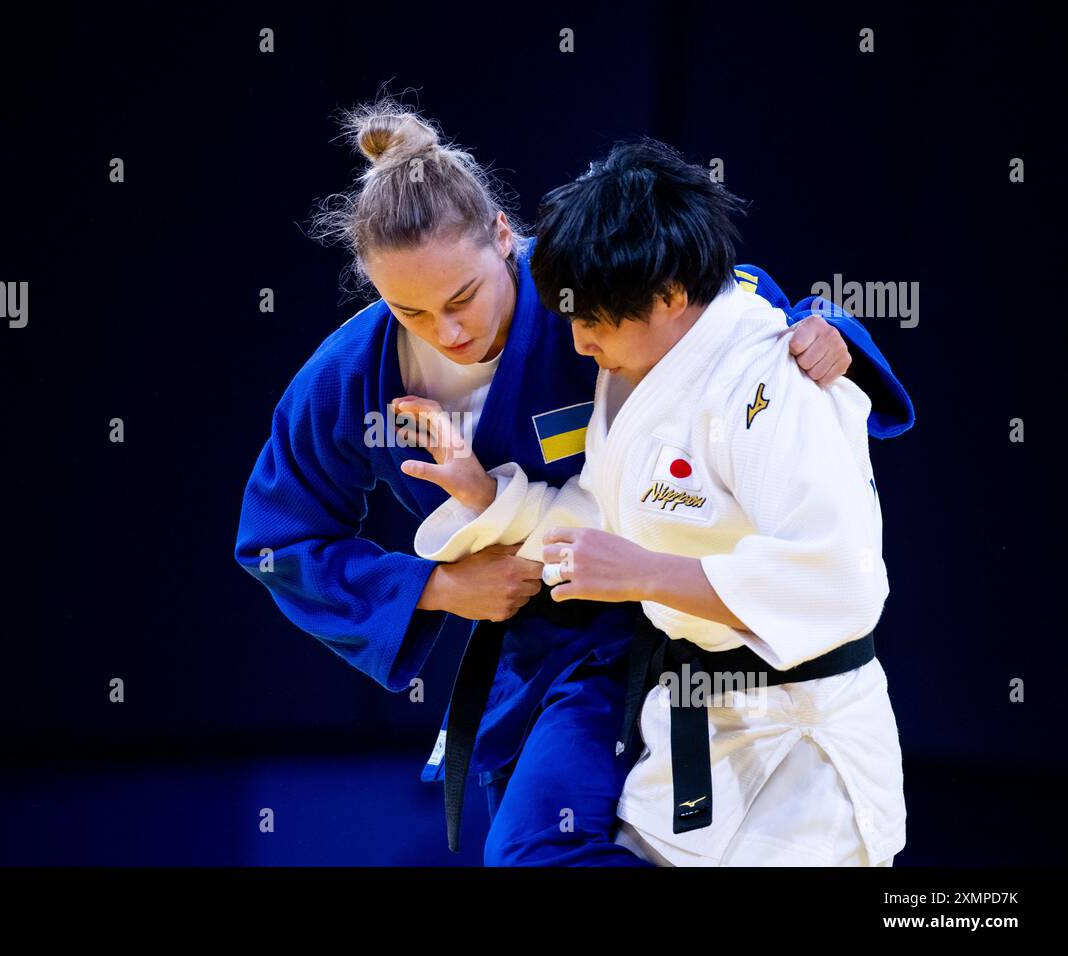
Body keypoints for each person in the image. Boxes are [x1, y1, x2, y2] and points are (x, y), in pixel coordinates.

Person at [233, 98, 913, 865]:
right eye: (410, 311)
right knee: (534, 844)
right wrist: (439, 588)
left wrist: (833, 328)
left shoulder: (578, 291)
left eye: (462, 297)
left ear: (503, 238)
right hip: (548, 644)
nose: (449, 332)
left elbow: (722, 301)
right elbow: (275, 543)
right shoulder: (348, 380)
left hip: (681, 624)